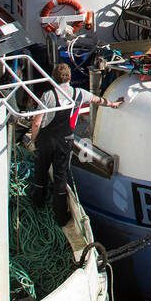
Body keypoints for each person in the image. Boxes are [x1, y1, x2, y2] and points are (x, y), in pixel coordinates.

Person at [27, 64, 121, 224]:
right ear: (70, 78)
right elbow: (98, 100)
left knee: (41, 172)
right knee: (60, 178)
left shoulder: (48, 95)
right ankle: (61, 216)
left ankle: (38, 202)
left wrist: (33, 139)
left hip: (47, 139)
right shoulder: (79, 94)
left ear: (53, 79)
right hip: (65, 140)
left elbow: (37, 123)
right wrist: (113, 104)